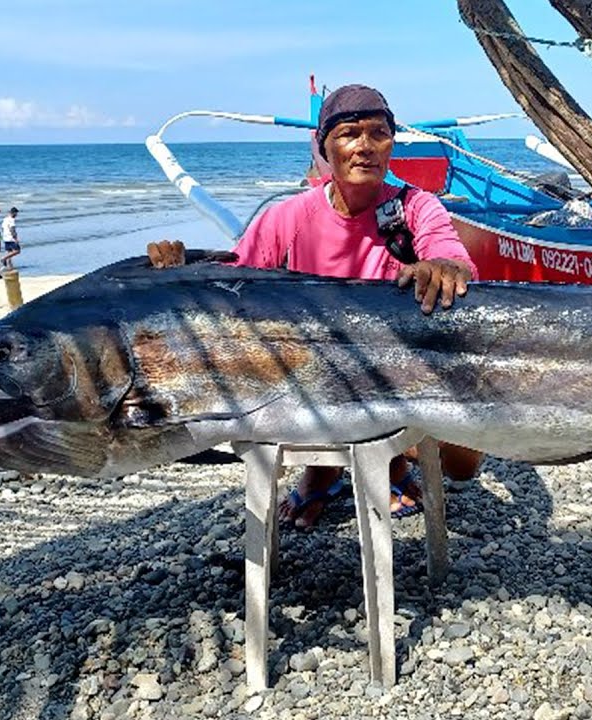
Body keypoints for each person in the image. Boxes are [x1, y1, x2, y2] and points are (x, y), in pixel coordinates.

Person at [149, 84, 484, 528]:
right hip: (306, 379)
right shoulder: (285, 218)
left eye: (378, 134)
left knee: (464, 465)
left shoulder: (415, 207)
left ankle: (393, 465)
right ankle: (323, 472)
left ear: (391, 143)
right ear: (325, 145)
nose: (364, 147)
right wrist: (176, 274)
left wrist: (443, 266)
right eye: (349, 134)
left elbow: (452, 257)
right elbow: (233, 285)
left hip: (395, 374)